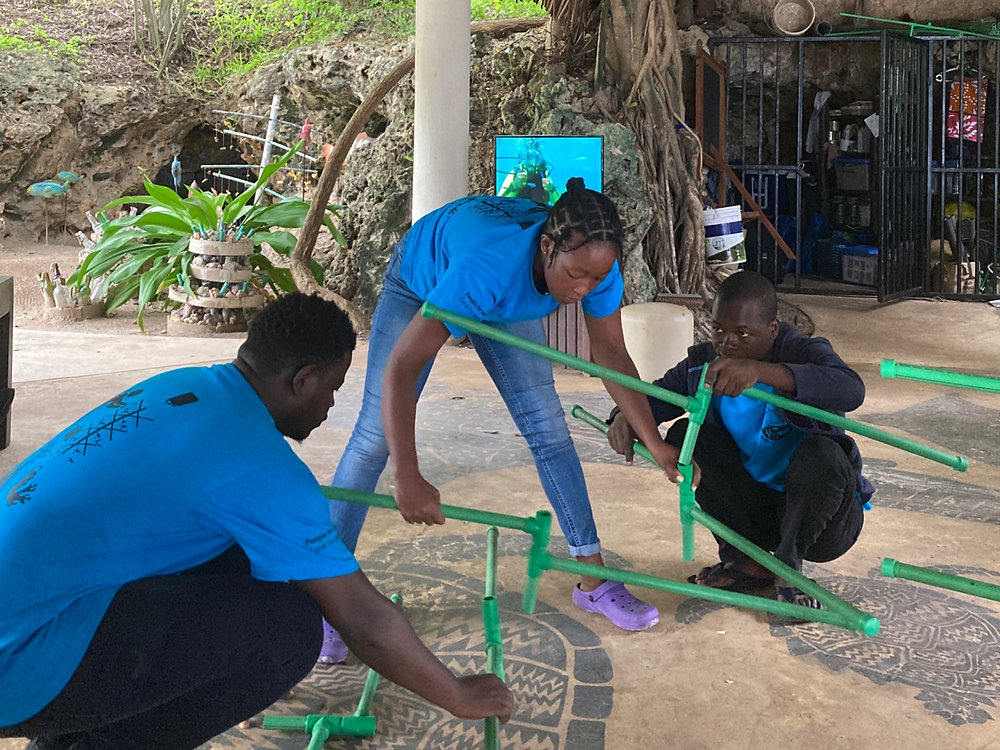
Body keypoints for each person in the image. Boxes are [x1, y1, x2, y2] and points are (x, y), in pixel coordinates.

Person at [0, 293, 512, 750]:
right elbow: (362, 618)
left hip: (29, 610)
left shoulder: (185, 385)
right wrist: (457, 695)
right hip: (15, 664)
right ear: (302, 380)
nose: (330, 405)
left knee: (253, 558)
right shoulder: (262, 466)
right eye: (331, 388)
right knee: (287, 632)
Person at [323, 180, 682, 662]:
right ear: (548, 246)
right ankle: (325, 599)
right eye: (576, 276)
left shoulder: (596, 265)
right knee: (373, 440)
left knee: (549, 429)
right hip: (424, 279)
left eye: (596, 280)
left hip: (502, 292)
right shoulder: (488, 268)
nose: (583, 291)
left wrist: (653, 439)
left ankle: (594, 581)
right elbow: (401, 367)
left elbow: (612, 354)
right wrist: (406, 474)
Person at [607, 271, 872, 608]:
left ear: (772, 329)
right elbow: (651, 399)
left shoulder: (802, 350)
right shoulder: (706, 365)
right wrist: (621, 416)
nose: (727, 343)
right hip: (758, 511)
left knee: (824, 453)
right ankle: (745, 561)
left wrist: (762, 372)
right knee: (686, 435)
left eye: (743, 333)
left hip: (825, 519)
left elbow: (851, 389)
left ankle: (788, 568)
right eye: (719, 329)